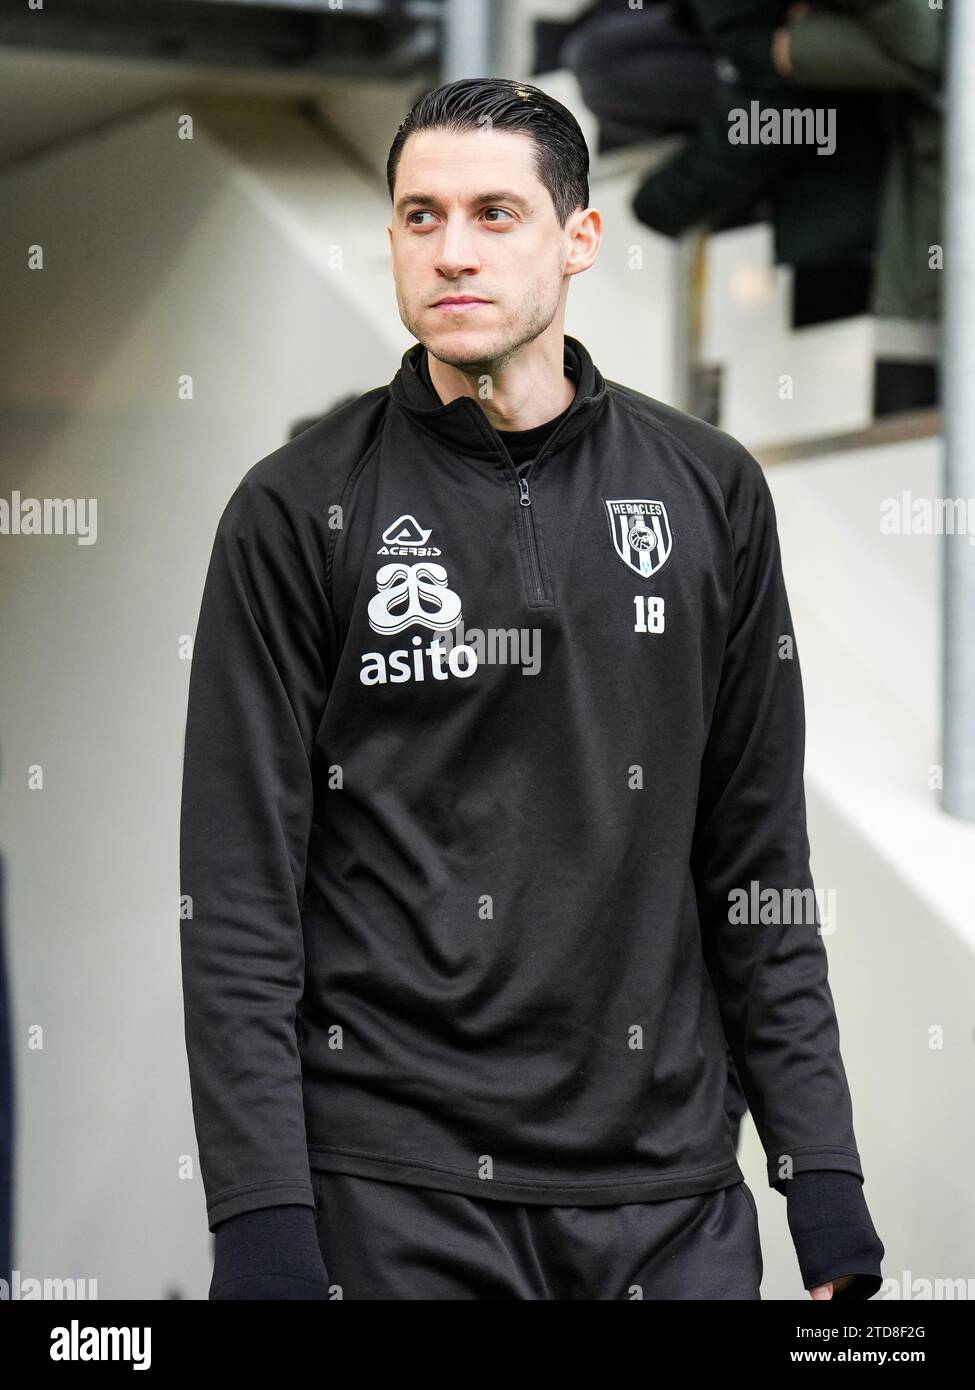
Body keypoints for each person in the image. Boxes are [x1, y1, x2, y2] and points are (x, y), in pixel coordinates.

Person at [178, 76, 885, 1301]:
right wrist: (262, 1216)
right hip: (397, 1188)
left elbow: (757, 857)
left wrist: (820, 1170)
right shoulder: (296, 508)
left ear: (579, 238)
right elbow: (241, 896)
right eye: (419, 216)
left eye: (495, 214)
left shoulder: (708, 491)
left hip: (669, 1197)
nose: (451, 252)